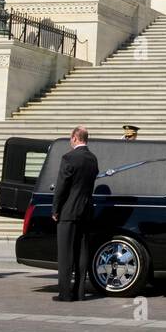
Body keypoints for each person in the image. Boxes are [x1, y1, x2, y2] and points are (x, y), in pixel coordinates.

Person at [53, 126, 99, 302]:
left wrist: (55, 209)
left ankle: (64, 293)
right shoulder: (92, 159)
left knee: (65, 254)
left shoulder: (69, 158)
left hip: (68, 211)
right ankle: (79, 292)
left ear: (74, 138)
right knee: (82, 252)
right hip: (86, 210)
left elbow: (61, 187)